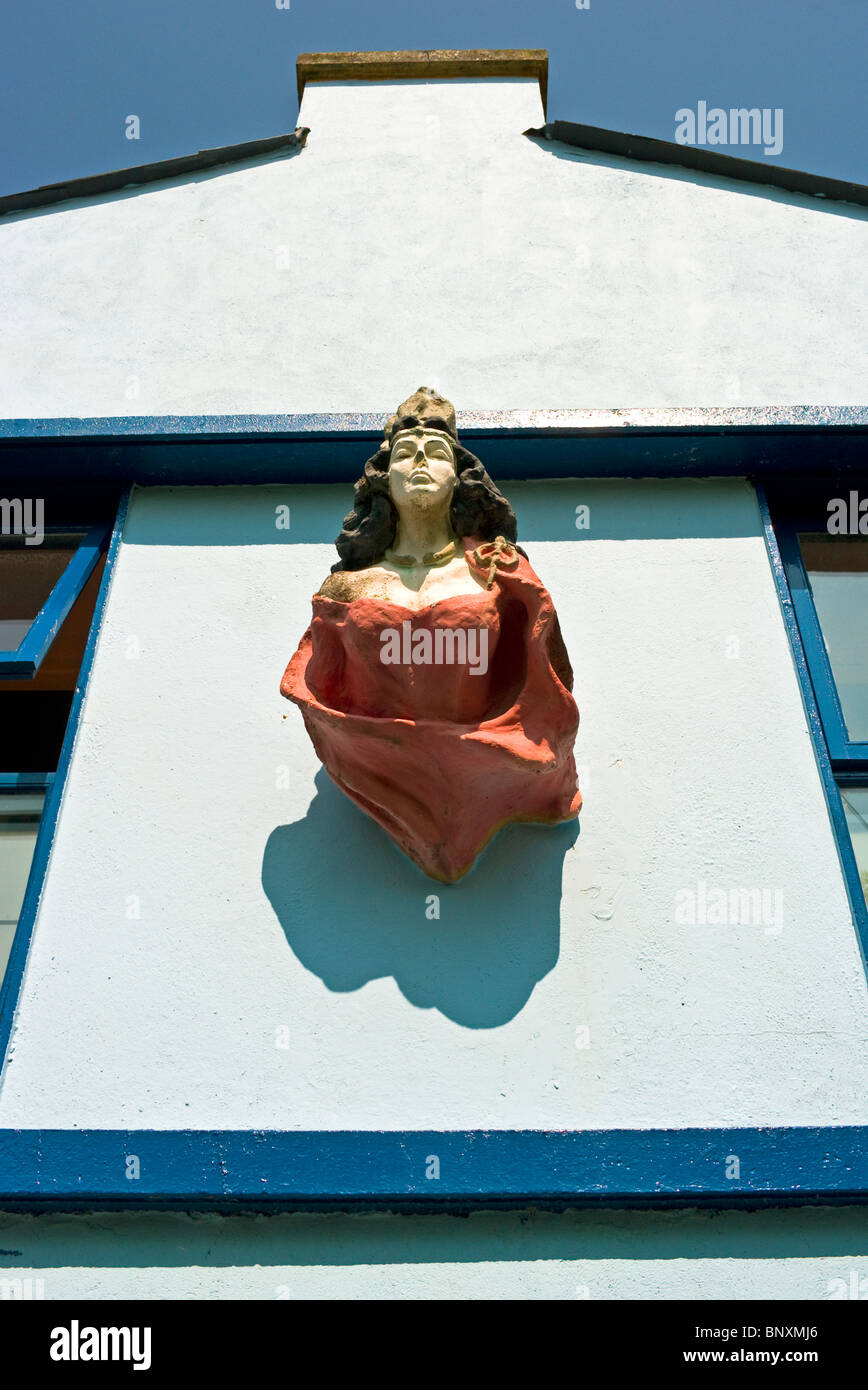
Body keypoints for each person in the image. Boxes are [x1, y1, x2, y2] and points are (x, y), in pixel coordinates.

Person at [281, 388, 581, 882]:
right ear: (383, 478)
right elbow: (320, 680)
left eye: (437, 453)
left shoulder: (498, 574)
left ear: (461, 479)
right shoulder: (346, 588)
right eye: (405, 453)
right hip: (376, 765)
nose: (420, 459)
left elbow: (546, 673)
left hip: (496, 760)